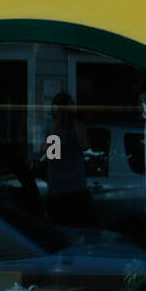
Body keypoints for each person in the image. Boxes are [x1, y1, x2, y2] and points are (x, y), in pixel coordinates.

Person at [42, 92, 96, 228]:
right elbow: (51, 154)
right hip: (58, 191)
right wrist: (58, 123)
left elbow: (85, 145)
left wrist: (75, 117)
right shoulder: (50, 128)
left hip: (77, 189)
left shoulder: (77, 125)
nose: (64, 112)